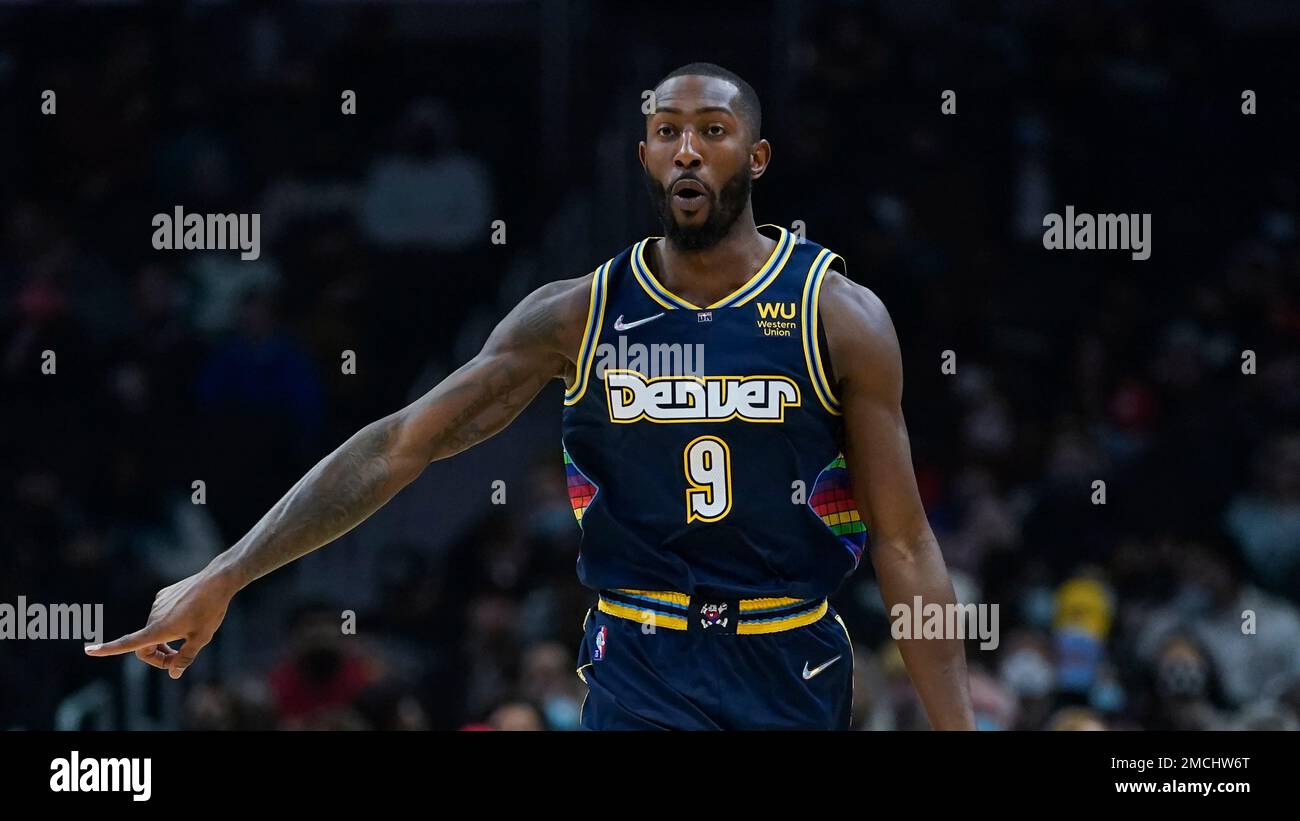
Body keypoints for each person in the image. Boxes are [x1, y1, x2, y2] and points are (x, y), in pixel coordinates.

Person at [88, 62, 974, 730]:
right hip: (641, 658)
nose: (689, 148)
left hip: (793, 654)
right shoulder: (574, 315)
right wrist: (227, 571)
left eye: (713, 128)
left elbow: (904, 542)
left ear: (758, 154)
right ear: (645, 156)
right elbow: (402, 443)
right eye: (667, 130)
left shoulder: (837, 315)